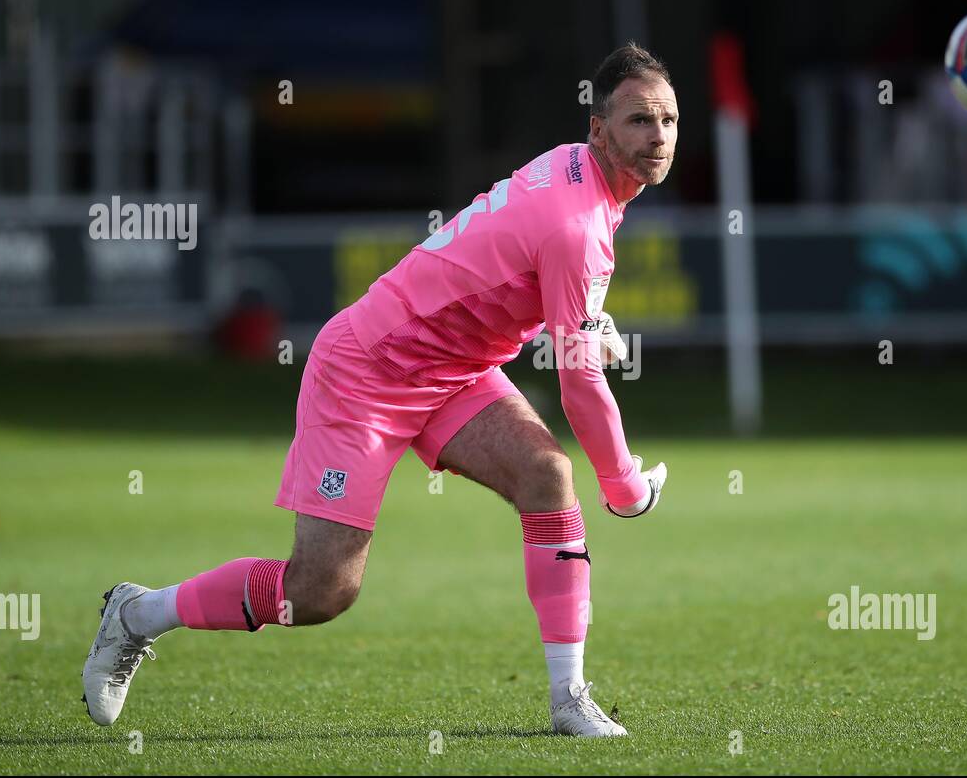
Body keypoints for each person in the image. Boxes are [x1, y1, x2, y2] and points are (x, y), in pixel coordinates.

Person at [83, 42, 678, 737]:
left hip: (451, 372)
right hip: (366, 370)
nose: (658, 136)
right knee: (320, 591)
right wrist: (625, 485)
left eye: (668, 119)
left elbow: (517, 272)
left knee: (546, 475)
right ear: (599, 131)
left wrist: (583, 321)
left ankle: (568, 699)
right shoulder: (579, 223)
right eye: (639, 120)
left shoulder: (582, 180)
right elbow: (578, 384)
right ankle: (136, 614)